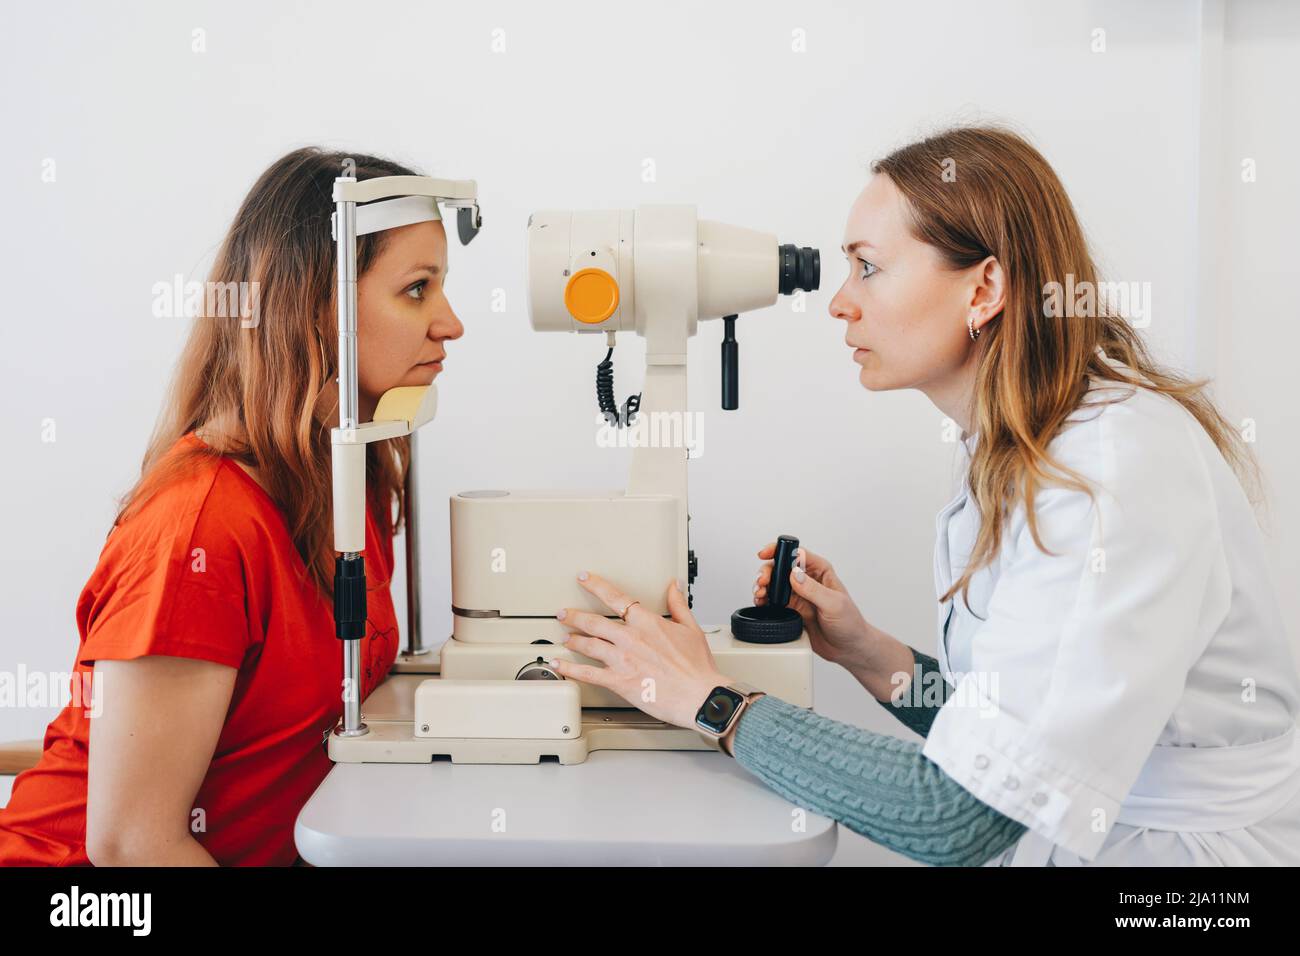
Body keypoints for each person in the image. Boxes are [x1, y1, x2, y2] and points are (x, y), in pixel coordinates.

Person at [548, 125, 1300, 866]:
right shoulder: (1015, 443)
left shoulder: (1106, 471)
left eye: (867, 268)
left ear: (985, 289)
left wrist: (711, 702)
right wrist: (870, 653)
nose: (840, 303)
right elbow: (1009, 737)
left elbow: (955, 818)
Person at [0, 147, 465, 866]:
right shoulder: (201, 529)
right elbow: (131, 845)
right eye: (417, 290)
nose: (451, 323)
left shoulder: (345, 480)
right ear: (317, 304)